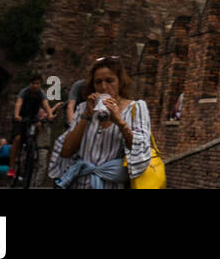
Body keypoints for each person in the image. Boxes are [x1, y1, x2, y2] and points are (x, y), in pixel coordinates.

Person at [49, 56, 151, 189]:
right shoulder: (83, 108)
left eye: (110, 81)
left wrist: (119, 122)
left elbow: (141, 150)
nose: (103, 87)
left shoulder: (136, 108)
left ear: (120, 82)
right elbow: (66, 151)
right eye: (98, 82)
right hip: (80, 184)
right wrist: (87, 116)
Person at [10, 74, 54, 182]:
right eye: (33, 83)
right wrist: (16, 115)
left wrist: (50, 114)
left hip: (33, 118)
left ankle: (32, 147)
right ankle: (11, 168)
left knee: (38, 126)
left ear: (40, 85)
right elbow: (18, 103)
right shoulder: (24, 92)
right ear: (29, 83)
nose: (35, 85)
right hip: (21, 117)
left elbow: (45, 104)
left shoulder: (41, 93)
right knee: (17, 139)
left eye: (37, 83)